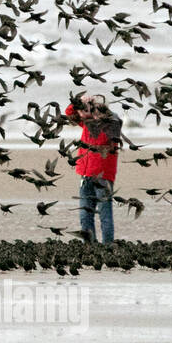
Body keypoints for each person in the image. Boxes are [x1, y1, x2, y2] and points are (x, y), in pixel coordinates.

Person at [63, 92, 122, 244]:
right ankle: (90, 247)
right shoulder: (87, 123)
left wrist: (100, 112)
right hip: (86, 176)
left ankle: (108, 247)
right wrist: (79, 102)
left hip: (103, 179)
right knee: (84, 216)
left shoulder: (111, 126)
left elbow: (116, 120)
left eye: (96, 110)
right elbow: (69, 112)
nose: (93, 112)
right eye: (92, 109)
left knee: (105, 215)